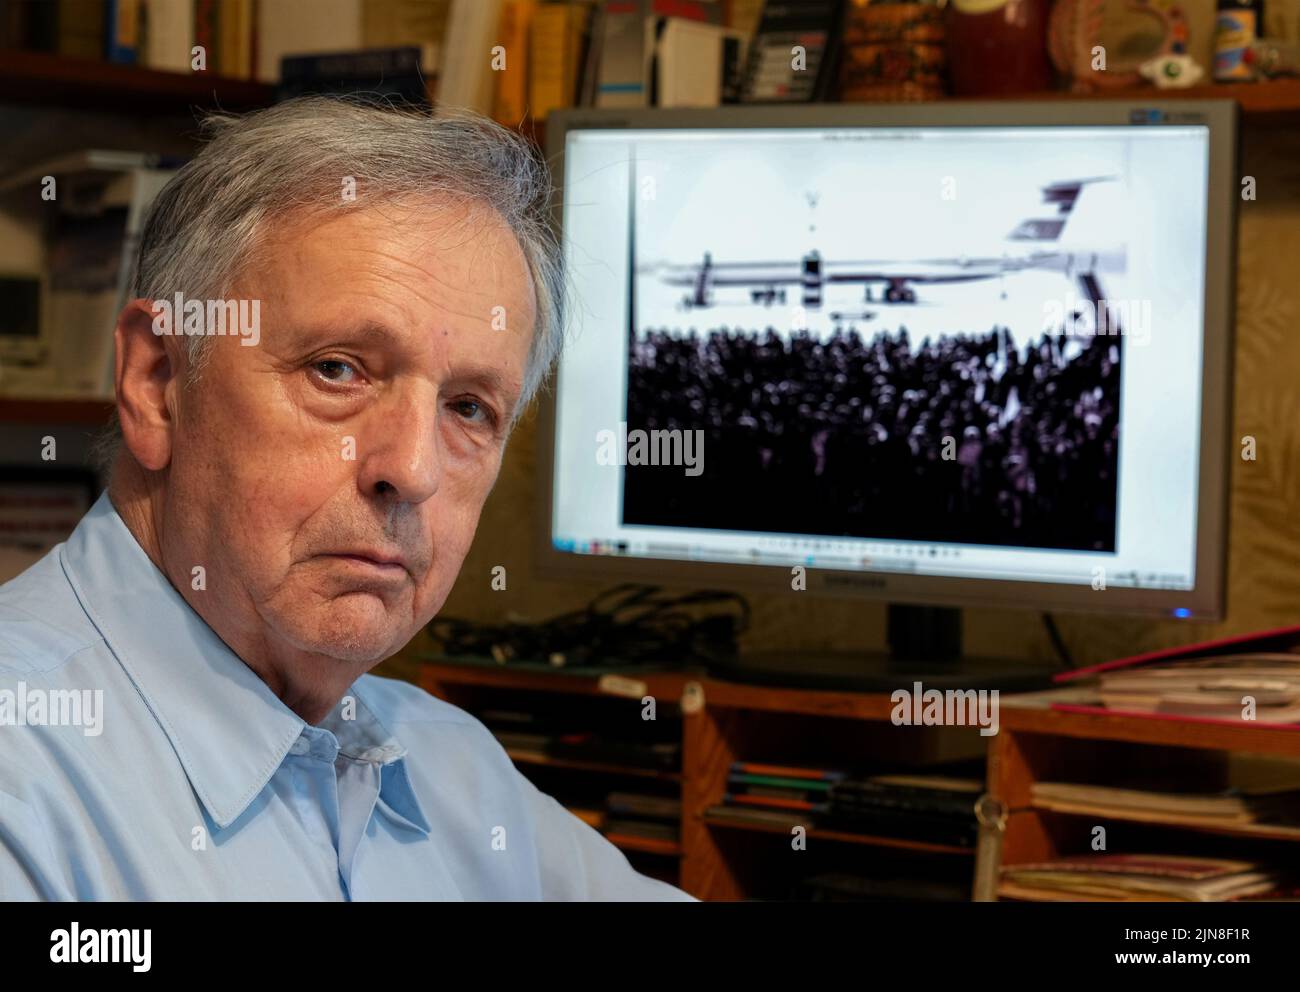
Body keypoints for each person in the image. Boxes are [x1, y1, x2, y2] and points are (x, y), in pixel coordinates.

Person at [0, 97, 693, 902]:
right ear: (157, 383)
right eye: (338, 369)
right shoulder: (25, 776)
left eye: (468, 407)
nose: (412, 469)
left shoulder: (451, 765)